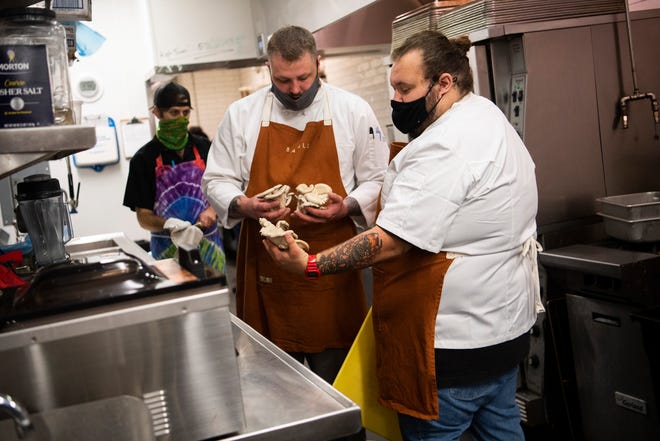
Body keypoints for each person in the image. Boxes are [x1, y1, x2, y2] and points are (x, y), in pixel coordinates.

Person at [263, 30, 542, 441]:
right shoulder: (484, 114)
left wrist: (309, 264)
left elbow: (391, 240)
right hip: (502, 336)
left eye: (405, 88)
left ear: (444, 83)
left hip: (451, 349)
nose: (396, 99)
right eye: (394, 86)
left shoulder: (447, 144)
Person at [202, 25, 389, 384]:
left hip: (331, 264)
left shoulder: (352, 110)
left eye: (304, 77)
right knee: (272, 386)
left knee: (341, 386)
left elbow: (379, 180)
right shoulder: (241, 114)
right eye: (283, 80)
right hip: (266, 270)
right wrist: (243, 204)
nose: (296, 89)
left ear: (318, 62)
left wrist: (346, 205)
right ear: (268, 68)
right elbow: (216, 180)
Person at [123, 82, 225, 274]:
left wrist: (213, 209)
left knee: (215, 296)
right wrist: (169, 224)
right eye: (174, 112)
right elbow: (143, 218)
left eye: (185, 113)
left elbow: (223, 189)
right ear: (157, 113)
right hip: (167, 252)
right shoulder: (143, 159)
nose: (181, 119)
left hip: (209, 246)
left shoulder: (205, 148)